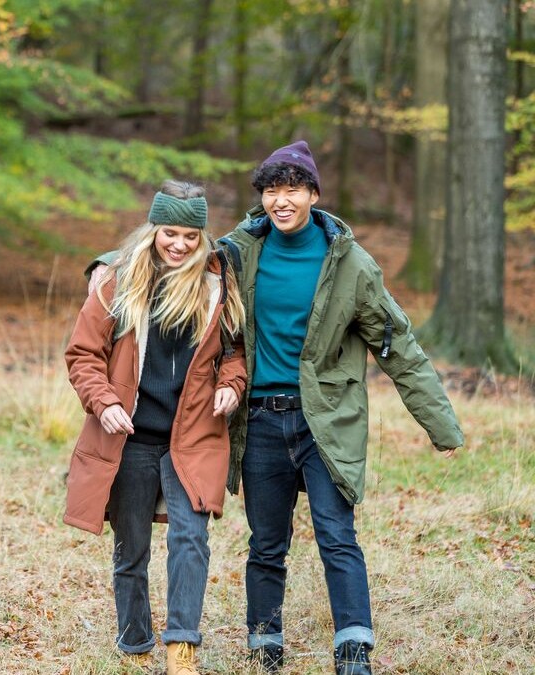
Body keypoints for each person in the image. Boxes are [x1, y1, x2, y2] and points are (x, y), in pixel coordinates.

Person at [87, 141, 464, 675]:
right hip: (261, 418)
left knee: (337, 533)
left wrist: (440, 424)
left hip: (324, 419)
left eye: (292, 189)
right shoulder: (241, 250)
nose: (280, 200)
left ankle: (353, 647)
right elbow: (175, 250)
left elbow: (395, 343)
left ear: (313, 193)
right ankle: (265, 641)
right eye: (270, 190)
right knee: (266, 543)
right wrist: (104, 268)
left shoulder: (351, 264)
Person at [63, 180, 247, 675]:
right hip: (130, 439)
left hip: (193, 438)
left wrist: (232, 383)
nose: (180, 245)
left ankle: (182, 646)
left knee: (192, 540)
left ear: (202, 238)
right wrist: (103, 403)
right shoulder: (116, 284)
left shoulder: (217, 286)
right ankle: (134, 639)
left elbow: (234, 353)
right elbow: (83, 355)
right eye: (170, 233)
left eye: (191, 236)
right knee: (132, 547)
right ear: (153, 231)